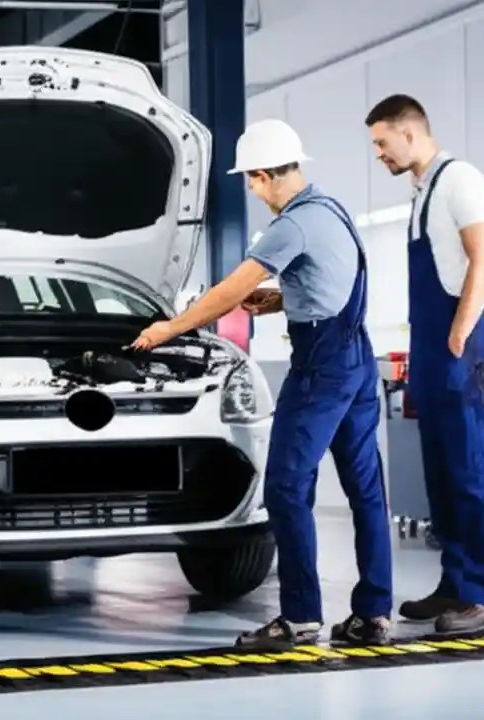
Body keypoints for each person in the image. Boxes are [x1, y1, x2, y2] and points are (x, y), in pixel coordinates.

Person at [131, 118, 393, 648]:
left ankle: (298, 618)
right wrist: (279, 301)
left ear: (268, 173)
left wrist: (169, 327)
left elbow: (229, 291)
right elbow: (327, 283)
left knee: (286, 487)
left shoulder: (290, 226)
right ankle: (373, 613)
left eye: (252, 179)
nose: (252, 189)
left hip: (322, 366)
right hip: (359, 358)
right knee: (366, 490)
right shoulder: (331, 211)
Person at [363, 93, 484, 634]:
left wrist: (457, 333)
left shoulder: (460, 179)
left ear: (410, 132)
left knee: (477, 470)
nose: (378, 153)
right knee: (445, 475)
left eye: (382, 142)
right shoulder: (420, 190)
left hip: (461, 346)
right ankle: (457, 584)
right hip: (431, 346)